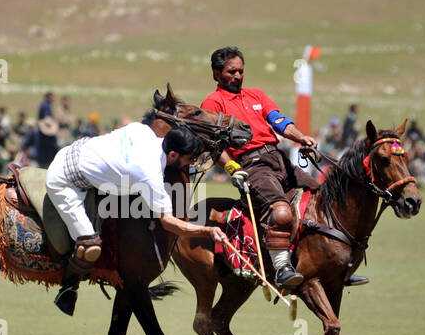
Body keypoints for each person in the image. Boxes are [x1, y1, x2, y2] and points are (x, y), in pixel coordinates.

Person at [45, 121, 226, 316]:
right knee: (90, 246)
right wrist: (208, 230)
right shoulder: (149, 175)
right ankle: (68, 287)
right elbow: (169, 222)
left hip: (72, 150)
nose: (190, 164)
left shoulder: (143, 130)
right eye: (189, 159)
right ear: (173, 155)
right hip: (64, 180)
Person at [200, 46, 319, 290]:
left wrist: (301, 137)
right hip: (253, 166)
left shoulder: (256, 95)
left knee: (322, 196)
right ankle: (283, 268)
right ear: (216, 74)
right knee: (281, 212)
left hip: (279, 158)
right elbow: (213, 144)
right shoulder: (212, 102)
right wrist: (232, 168)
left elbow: (280, 121)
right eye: (231, 71)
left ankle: (329, 263)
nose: (237, 76)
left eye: (241, 71)